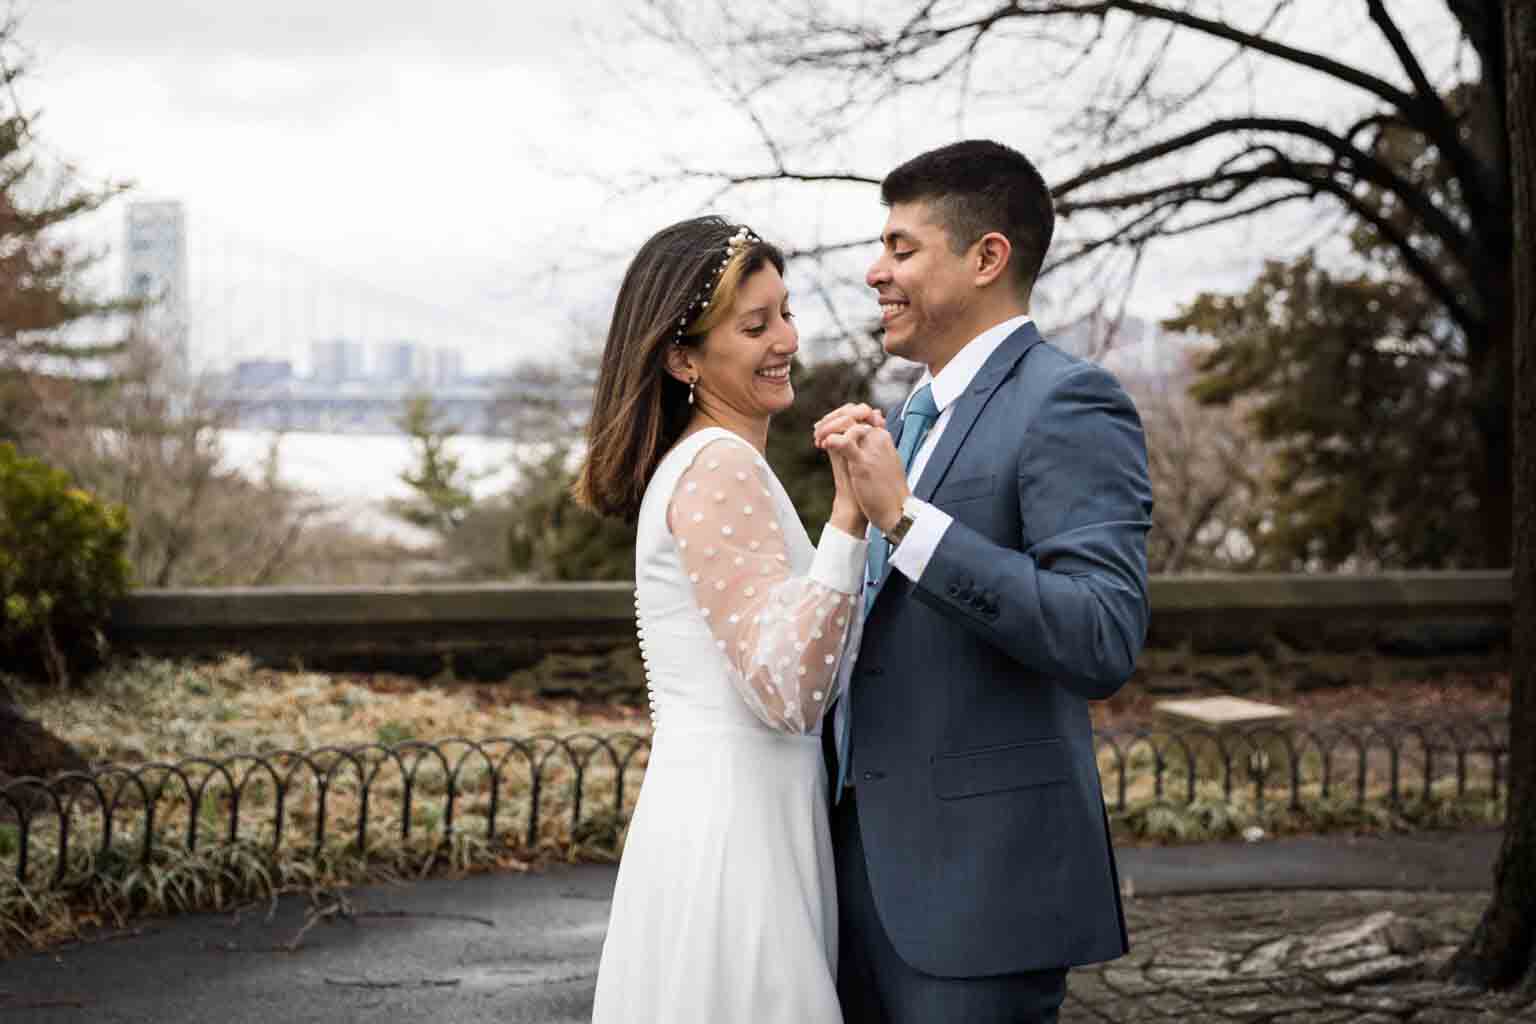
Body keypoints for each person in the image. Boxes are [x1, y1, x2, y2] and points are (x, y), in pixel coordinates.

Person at [814, 139, 1154, 1023]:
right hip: (853, 878)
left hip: (981, 893)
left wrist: (907, 521)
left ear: (986, 257)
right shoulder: (907, 420)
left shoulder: (1069, 401)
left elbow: (1099, 634)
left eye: (900, 248)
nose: (873, 272)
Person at [579, 216, 874, 1023]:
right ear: (682, 357)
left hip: (740, 809)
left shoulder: (716, 460)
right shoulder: (719, 464)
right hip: (738, 835)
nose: (787, 338)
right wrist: (850, 516)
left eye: (785, 312)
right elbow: (785, 691)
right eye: (755, 325)